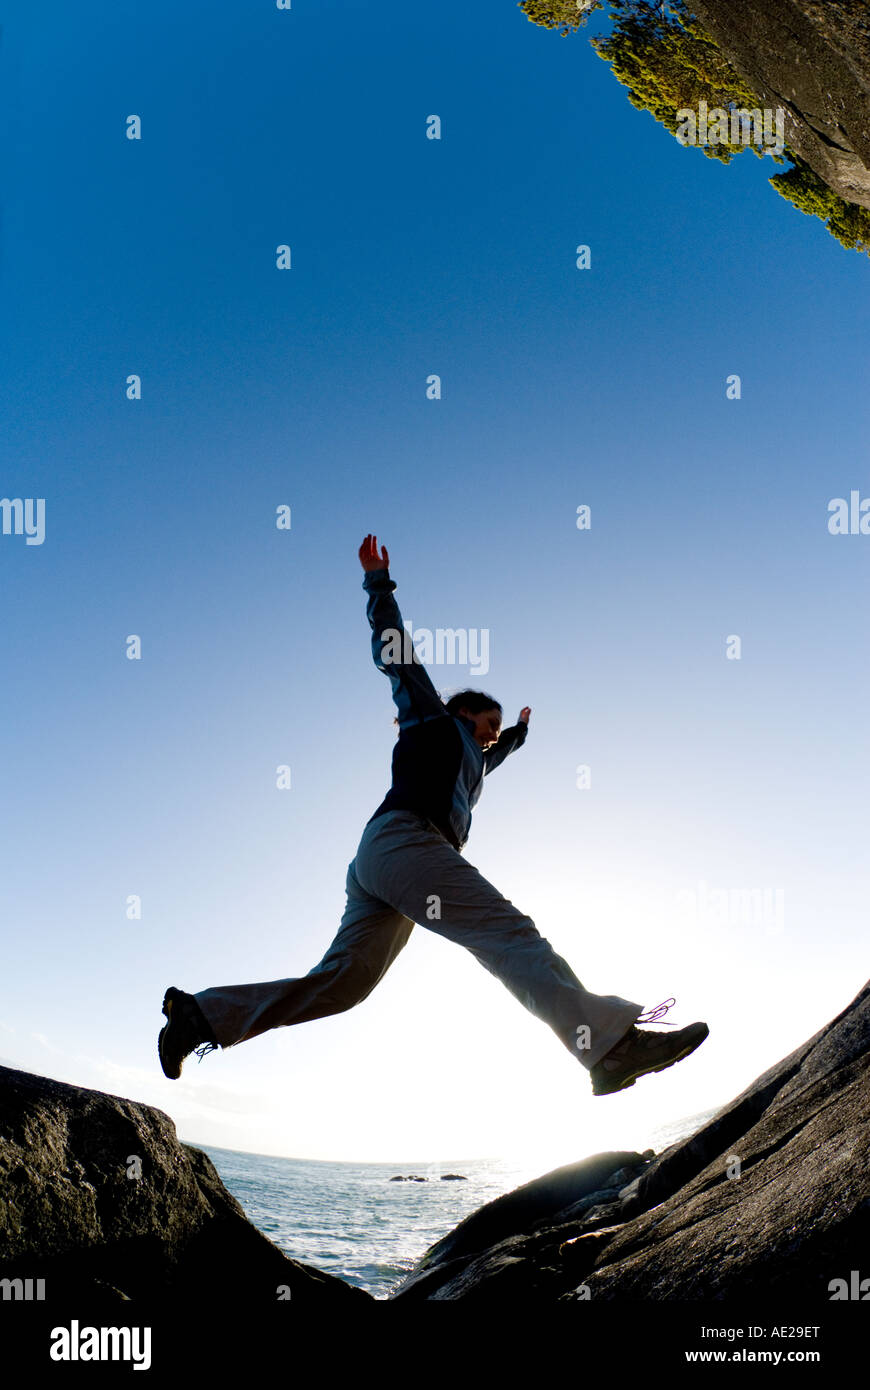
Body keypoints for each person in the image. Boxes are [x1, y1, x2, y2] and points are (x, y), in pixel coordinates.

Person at [158, 534, 708, 1096]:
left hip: (384, 862)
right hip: (407, 844)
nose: (490, 738)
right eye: (487, 725)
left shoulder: (473, 761)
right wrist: (378, 583)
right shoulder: (431, 718)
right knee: (509, 934)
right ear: (462, 711)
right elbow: (395, 651)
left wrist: (517, 734)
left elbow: (493, 759)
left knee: (345, 984)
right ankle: (610, 1048)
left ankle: (200, 1017)